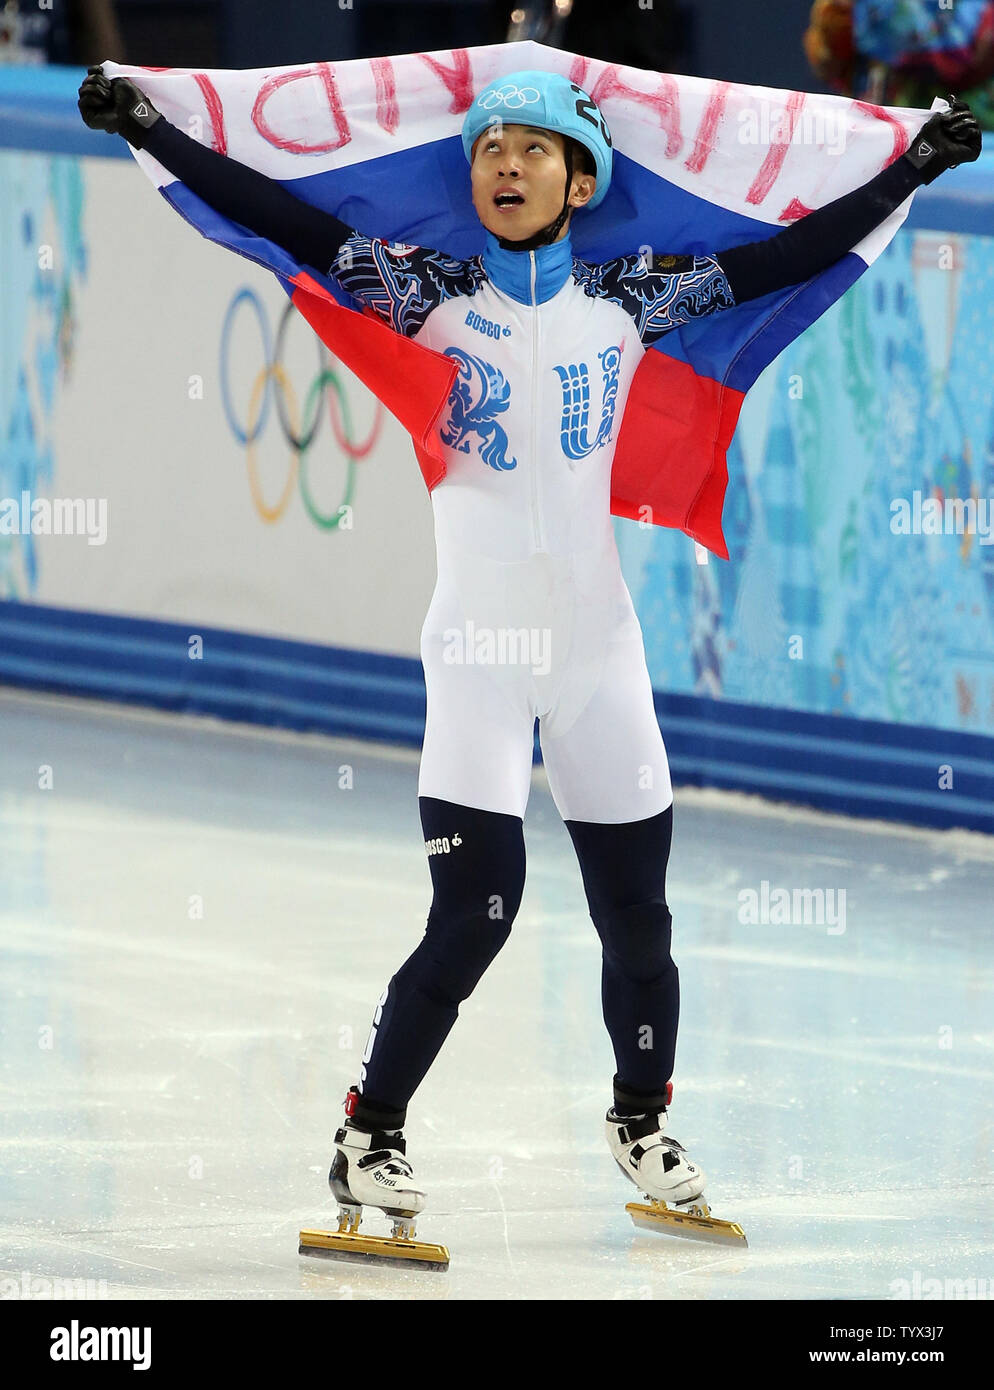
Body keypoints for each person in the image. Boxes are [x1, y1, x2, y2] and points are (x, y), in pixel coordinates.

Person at [79, 65, 980, 1243]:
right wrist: (154, 128)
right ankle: (369, 1135)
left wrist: (910, 167)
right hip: (477, 656)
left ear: (579, 178)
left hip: (598, 651)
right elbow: (281, 219)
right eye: (489, 150)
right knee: (476, 909)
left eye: (532, 150)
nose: (506, 167)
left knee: (639, 922)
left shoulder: (634, 296)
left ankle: (642, 1119)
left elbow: (786, 260)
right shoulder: (421, 291)